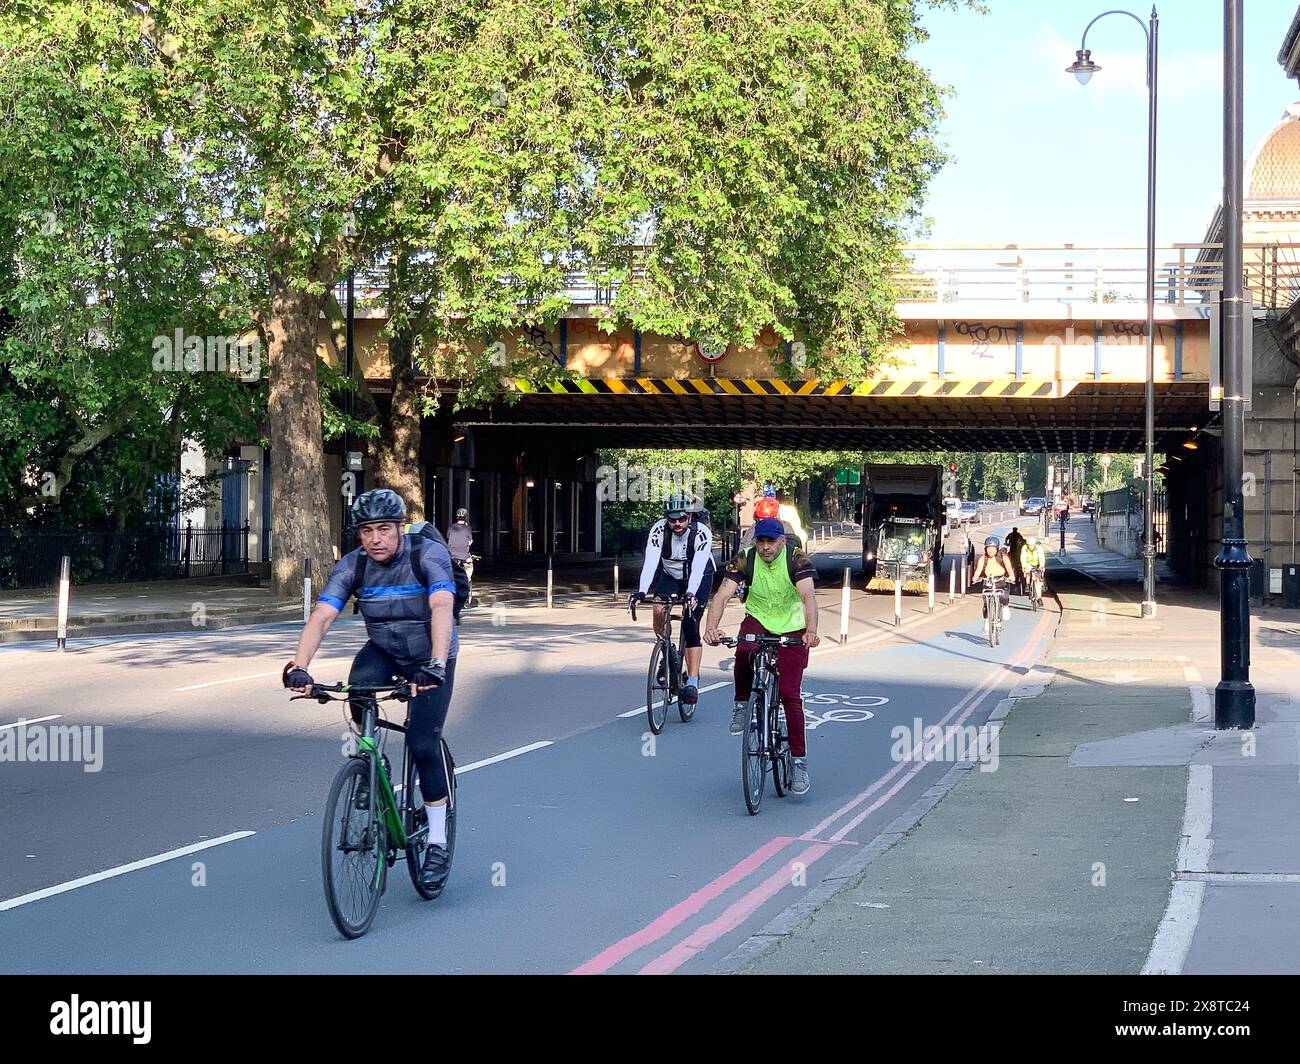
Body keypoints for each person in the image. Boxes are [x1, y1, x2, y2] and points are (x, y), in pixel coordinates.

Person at [283, 488, 458, 895]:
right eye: (366, 531)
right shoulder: (353, 566)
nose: (375, 539)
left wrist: (435, 665)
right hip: (384, 649)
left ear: (400, 528)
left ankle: (436, 841)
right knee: (357, 687)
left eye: (383, 529)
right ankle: (368, 768)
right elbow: (323, 616)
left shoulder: (426, 557)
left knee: (422, 743)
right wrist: (300, 667)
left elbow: (441, 608)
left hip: (431, 653)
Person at [703, 517, 819, 795]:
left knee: (791, 695)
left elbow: (808, 598)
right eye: (760, 541)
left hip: (793, 626)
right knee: (743, 649)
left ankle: (799, 762)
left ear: (782, 541)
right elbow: (721, 596)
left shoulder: (797, 559)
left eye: (771, 541)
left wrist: (811, 631)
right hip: (759, 618)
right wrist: (711, 627)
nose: (765, 547)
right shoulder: (746, 559)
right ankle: (742, 704)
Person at [630, 493, 714, 706]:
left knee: (690, 621)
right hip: (670, 573)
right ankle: (668, 653)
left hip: (699, 576)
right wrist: (641, 591)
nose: (677, 523)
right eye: (672, 519)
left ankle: (693, 682)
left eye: (682, 519)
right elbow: (650, 562)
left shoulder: (701, 533)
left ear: (689, 517)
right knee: (658, 609)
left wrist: (691, 593)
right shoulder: (658, 530)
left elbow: (698, 567)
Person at [971, 535, 1013, 623]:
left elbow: (1009, 568)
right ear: (985, 549)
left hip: (1000, 580)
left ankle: (1005, 607)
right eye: (988, 548)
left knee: (1004, 597)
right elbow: (979, 569)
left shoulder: (1003, 557)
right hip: (988, 581)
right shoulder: (983, 558)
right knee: (986, 602)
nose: (990, 550)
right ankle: (987, 623)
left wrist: (1011, 576)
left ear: (997, 548)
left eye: (993, 548)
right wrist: (975, 577)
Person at [446, 507, 475, 604]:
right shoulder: (468, 528)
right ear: (466, 517)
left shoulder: (451, 527)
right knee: (468, 575)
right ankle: (467, 599)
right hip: (464, 557)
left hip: (452, 556)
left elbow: (448, 537)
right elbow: (470, 541)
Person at [1019, 533, 1047, 600]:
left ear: (1034, 544)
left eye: (1032, 545)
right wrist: (1024, 566)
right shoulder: (1024, 548)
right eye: (1029, 545)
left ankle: (1039, 597)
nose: (1030, 546)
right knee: (1027, 571)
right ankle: (1027, 584)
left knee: (1038, 580)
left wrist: (1042, 566)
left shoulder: (1038, 548)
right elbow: (1022, 557)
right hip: (1028, 564)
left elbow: (1041, 557)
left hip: (1037, 564)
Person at [1004, 526, 1026, 591]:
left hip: (1015, 551)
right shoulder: (1016, 535)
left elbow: (1006, 538)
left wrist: (1007, 543)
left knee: (1012, 560)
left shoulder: (1014, 535)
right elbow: (1007, 538)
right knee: (1011, 558)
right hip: (1014, 551)